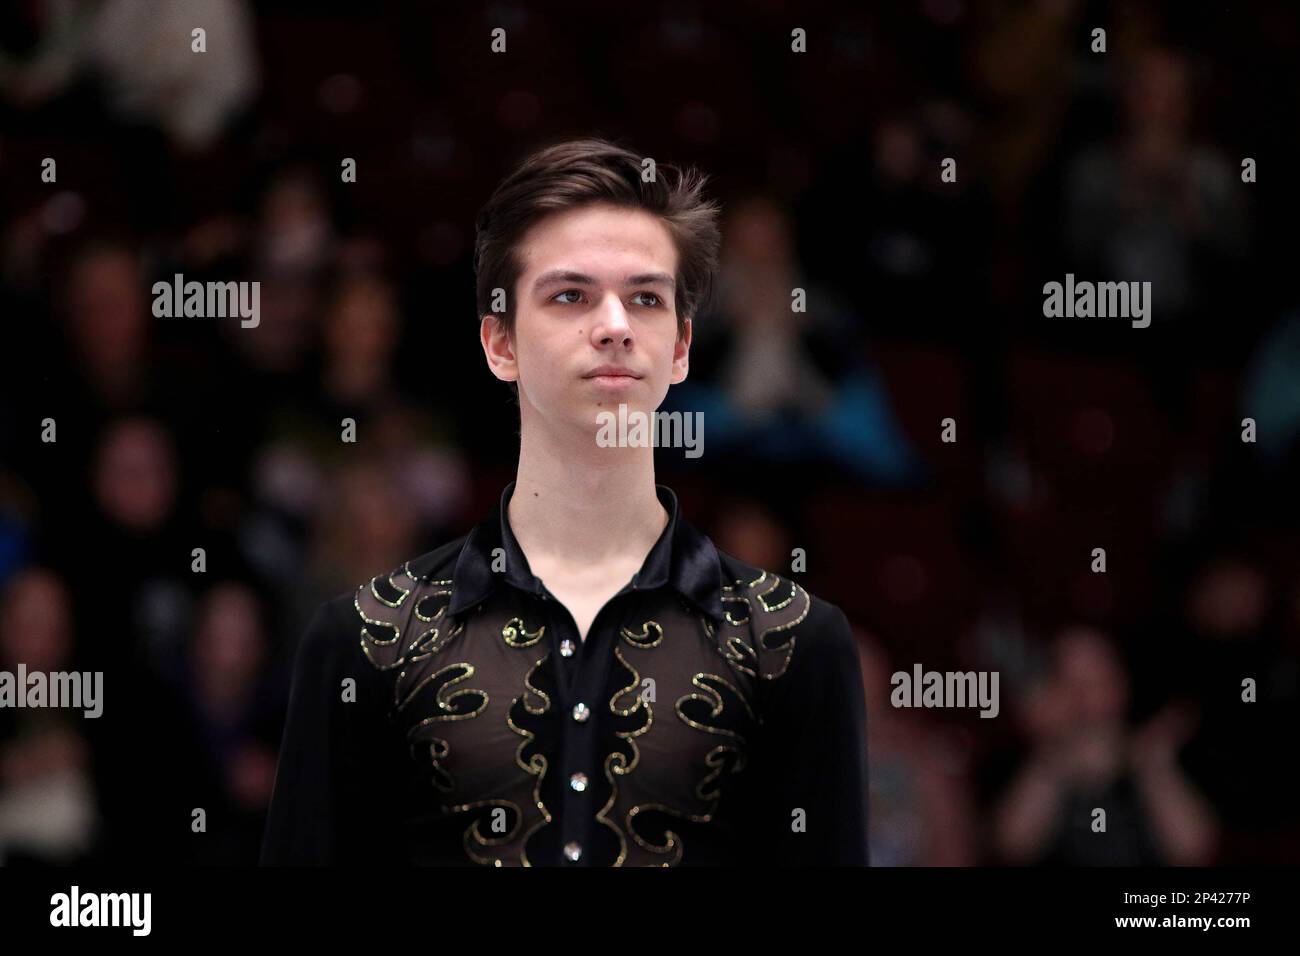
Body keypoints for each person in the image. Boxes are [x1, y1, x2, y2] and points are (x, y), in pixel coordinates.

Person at [259, 137, 870, 867]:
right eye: (570, 295)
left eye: (645, 297)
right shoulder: (362, 642)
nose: (613, 325)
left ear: (680, 347)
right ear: (499, 344)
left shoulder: (795, 644)